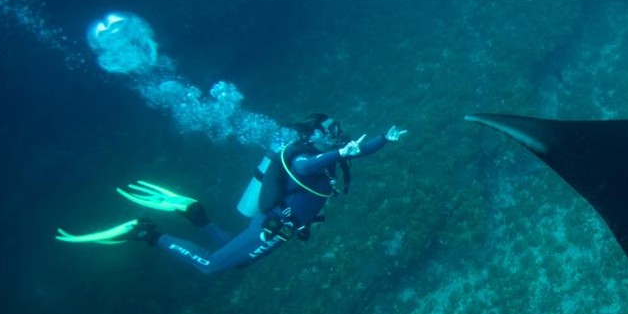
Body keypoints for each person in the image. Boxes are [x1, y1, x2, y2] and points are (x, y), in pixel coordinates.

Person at [56, 115, 407, 274]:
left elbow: (358, 152)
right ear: (314, 133)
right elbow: (305, 168)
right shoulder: (305, 156)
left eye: (338, 128)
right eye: (330, 129)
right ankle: (147, 233)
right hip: (271, 224)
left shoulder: (329, 156)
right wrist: (341, 153)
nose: (338, 132)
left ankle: (196, 216)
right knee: (212, 265)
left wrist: (384, 140)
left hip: (274, 224)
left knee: (236, 261)